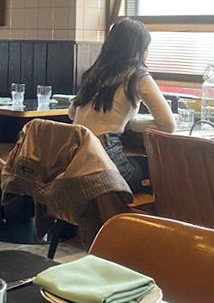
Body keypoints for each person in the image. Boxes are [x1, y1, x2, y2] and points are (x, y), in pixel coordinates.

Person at [69, 18, 176, 191]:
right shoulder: (138, 76)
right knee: (162, 165)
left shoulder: (94, 74)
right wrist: (131, 124)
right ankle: (153, 216)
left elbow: (72, 113)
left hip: (75, 162)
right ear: (140, 50)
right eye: (146, 48)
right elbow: (168, 125)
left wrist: (126, 123)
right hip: (106, 164)